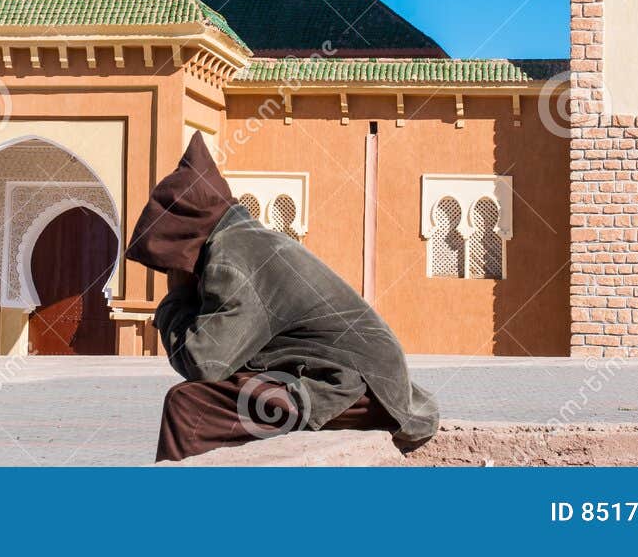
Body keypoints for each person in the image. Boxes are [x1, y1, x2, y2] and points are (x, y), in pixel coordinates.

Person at [126, 133, 439, 462]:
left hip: (352, 390)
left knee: (190, 407)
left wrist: (176, 296)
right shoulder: (246, 241)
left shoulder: (232, 258)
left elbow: (205, 363)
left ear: (182, 239)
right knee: (217, 398)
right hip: (358, 383)